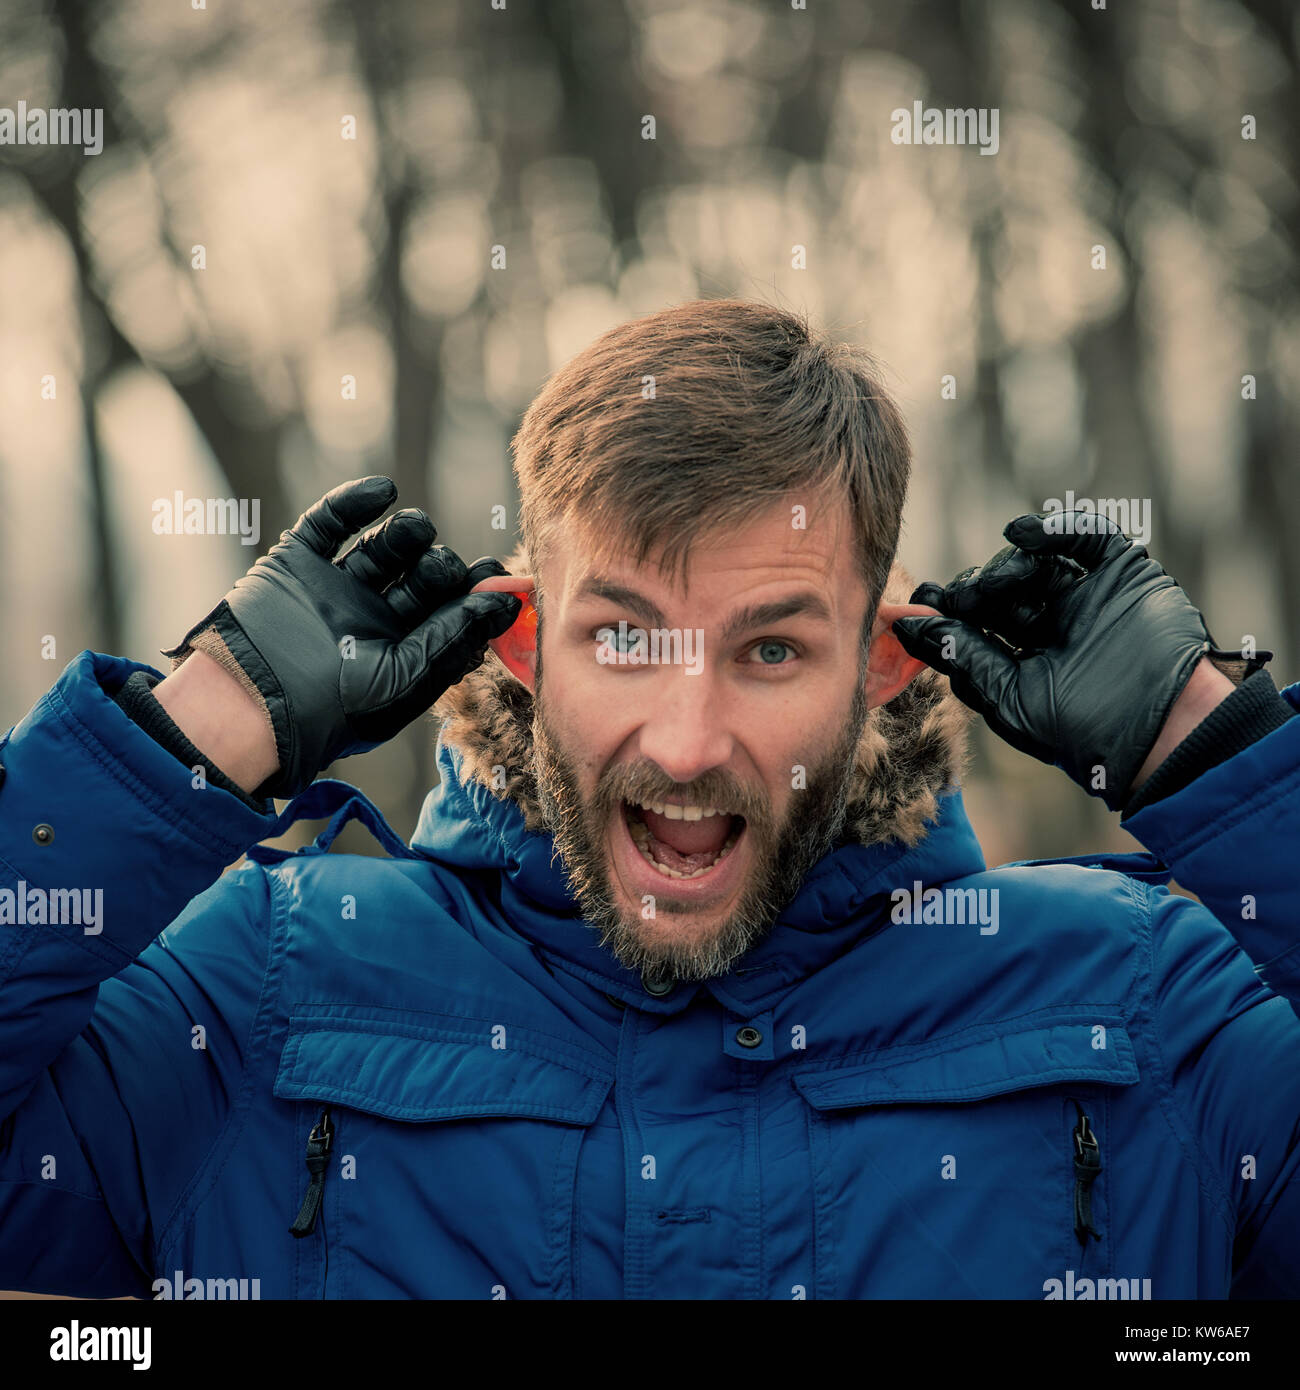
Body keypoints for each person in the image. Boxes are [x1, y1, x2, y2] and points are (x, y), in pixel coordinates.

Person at [0, 299, 1295, 1300]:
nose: (685, 745)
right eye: (623, 637)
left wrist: (1210, 748)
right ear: (519, 640)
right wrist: (208, 717)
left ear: (884, 662)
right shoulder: (259, 986)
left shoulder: (1147, 1002)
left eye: (771, 648)